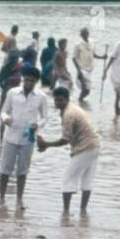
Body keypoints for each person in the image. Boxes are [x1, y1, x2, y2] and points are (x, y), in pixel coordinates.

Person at [36, 86, 99, 215]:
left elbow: (65, 139)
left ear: (67, 99)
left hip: (85, 147)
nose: (58, 103)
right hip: (94, 146)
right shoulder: (72, 108)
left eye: (61, 100)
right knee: (87, 180)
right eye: (56, 100)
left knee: (68, 179)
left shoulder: (69, 114)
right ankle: (83, 211)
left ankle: (66, 211)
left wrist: (47, 144)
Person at [0, 65, 46, 210]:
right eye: (26, 80)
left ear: (36, 81)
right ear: (23, 79)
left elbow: (45, 117)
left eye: (32, 81)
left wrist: (37, 125)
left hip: (28, 139)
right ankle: (1, 198)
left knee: (22, 171)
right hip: (11, 136)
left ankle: (19, 199)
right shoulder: (13, 93)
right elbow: (3, 111)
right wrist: (6, 119)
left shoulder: (41, 97)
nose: (28, 83)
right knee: (5, 169)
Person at [73, 27, 104, 102]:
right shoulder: (78, 45)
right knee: (84, 89)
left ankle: (79, 101)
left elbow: (94, 55)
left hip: (89, 70)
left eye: (86, 33)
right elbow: (74, 58)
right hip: (81, 69)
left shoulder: (92, 43)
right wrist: (78, 71)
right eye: (83, 33)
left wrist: (102, 57)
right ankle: (79, 104)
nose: (85, 35)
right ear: (81, 35)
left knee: (87, 91)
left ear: (88, 34)